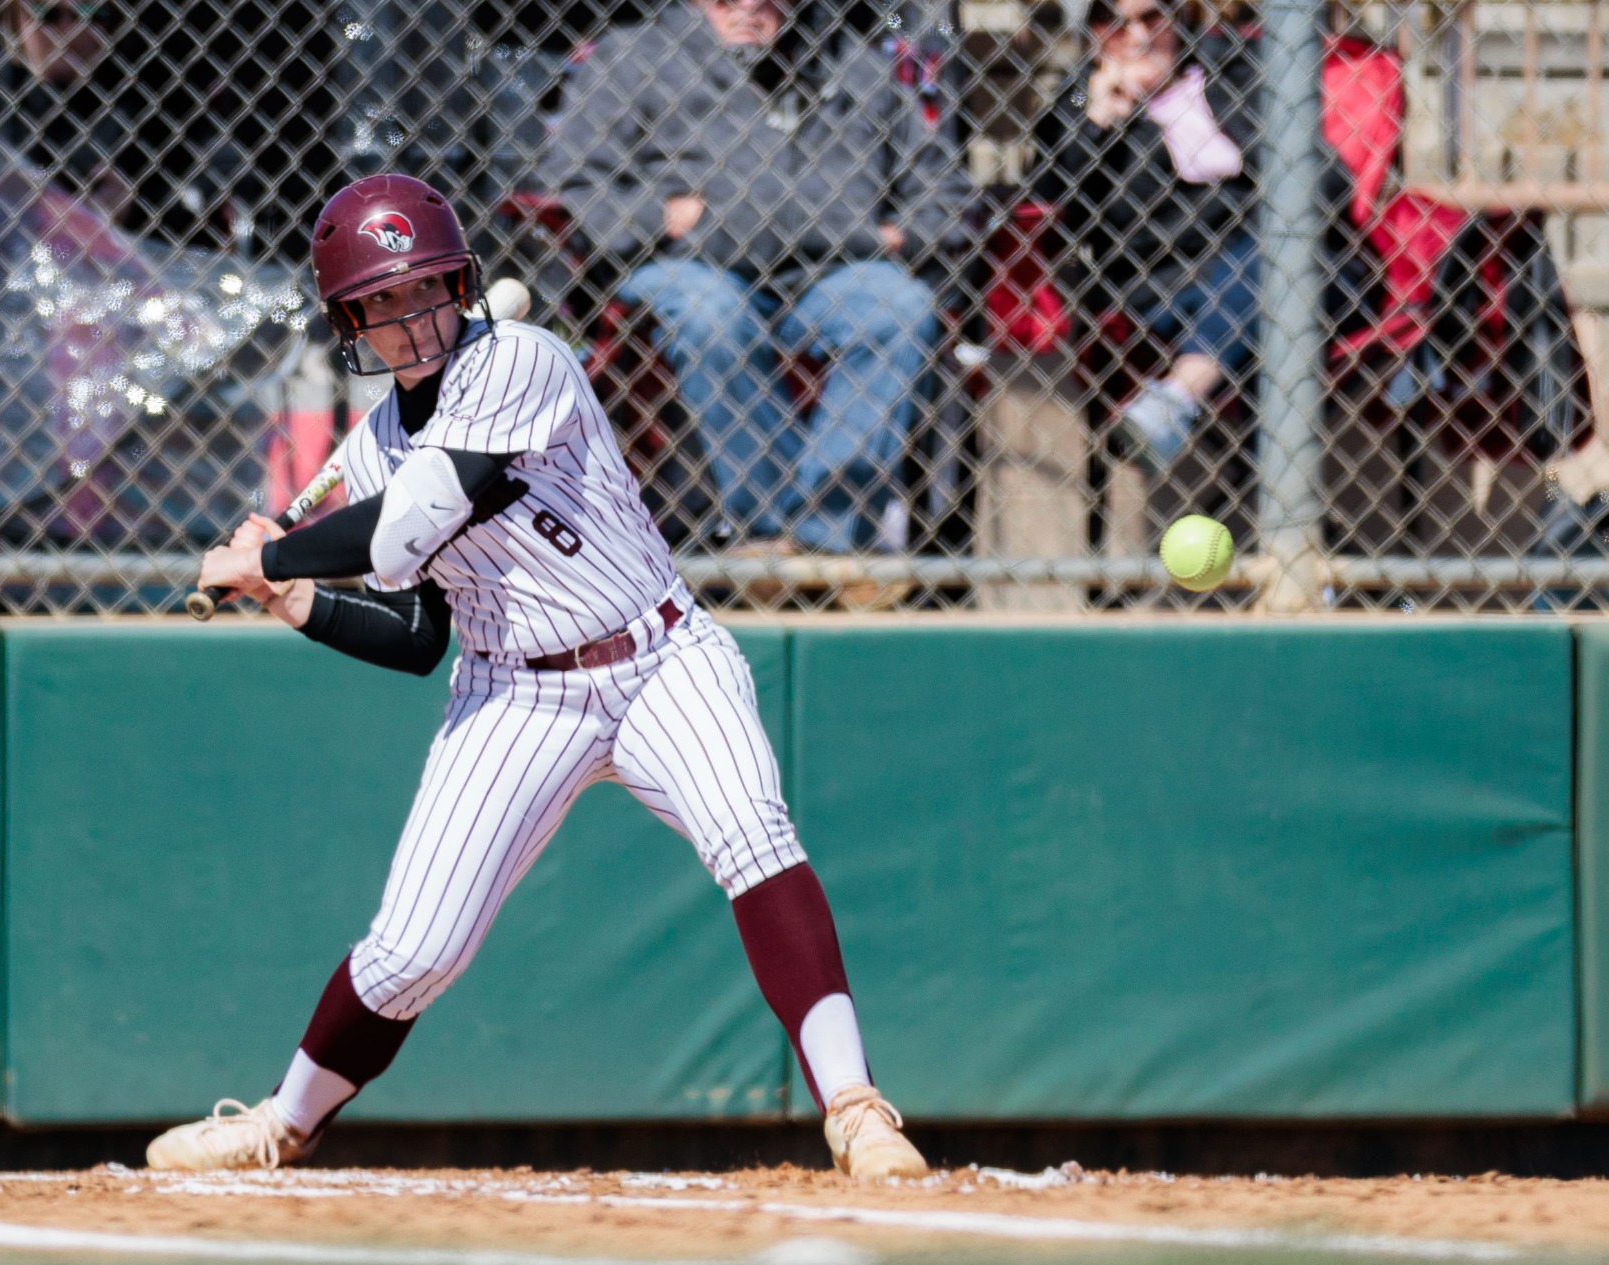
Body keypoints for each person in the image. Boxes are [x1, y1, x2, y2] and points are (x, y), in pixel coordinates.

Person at [155, 173, 928, 1181]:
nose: (410, 318)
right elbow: (415, 636)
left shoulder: (521, 358)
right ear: (350, 319)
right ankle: (282, 1122)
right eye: (380, 302)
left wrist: (272, 553)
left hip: (658, 657)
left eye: (424, 287)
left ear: (461, 283)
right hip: (513, 694)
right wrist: (288, 596)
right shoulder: (374, 444)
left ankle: (857, 1110)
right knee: (411, 952)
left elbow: (407, 525)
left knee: (751, 834)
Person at [540, 0, 972, 552]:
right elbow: (574, 187)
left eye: (768, 1)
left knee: (900, 307)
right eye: (727, 0)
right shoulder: (632, 58)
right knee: (709, 313)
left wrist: (899, 233)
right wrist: (658, 214)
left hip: (829, 273)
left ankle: (823, 541)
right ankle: (770, 535)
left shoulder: (855, 66)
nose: (749, 11)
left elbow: (941, 188)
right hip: (687, 266)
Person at [1030, 0, 1266, 468]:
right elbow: (1049, 197)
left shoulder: (1228, 69)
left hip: (1271, 252)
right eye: (1115, 22)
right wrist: (1097, 121)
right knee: (1275, 298)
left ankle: (1178, 395)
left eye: (1151, 17)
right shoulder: (1078, 93)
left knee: (1279, 255)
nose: (1137, 36)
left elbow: (1324, 175)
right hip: (1168, 279)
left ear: (1176, 18)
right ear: (1095, 31)